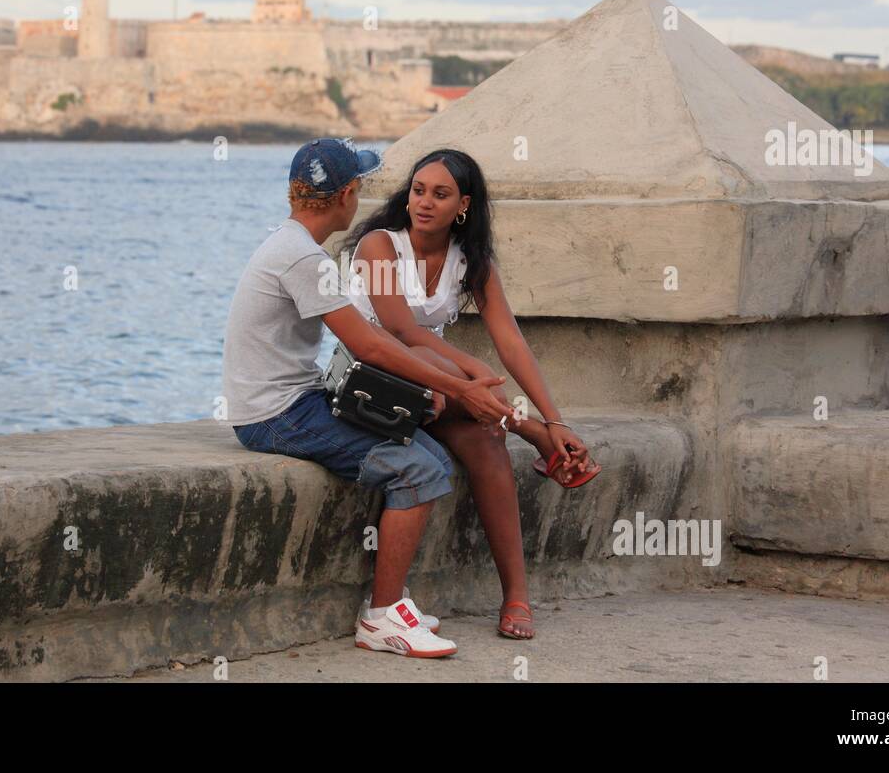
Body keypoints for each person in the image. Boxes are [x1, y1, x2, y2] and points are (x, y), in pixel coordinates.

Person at [221, 138, 514, 659]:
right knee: (416, 471)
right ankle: (380, 618)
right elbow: (371, 342)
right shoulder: (301, 259)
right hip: (274, 415)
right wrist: (461, 387)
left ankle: (394, 599)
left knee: (430, 457)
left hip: (291, 400)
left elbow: (375, 341)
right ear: (347, 194)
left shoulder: (292, 245)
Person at [344, 148, 603, 640]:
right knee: (440, 365)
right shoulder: (379, 246)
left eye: (440, 195)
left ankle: (517, 596)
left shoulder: (469, 260)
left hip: (437, 391)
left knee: (486, 439)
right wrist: (478, 381)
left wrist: (556, 415)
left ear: (463, 204)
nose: (424, 202)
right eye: (418, 190)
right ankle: (536, 437)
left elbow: (511, 340)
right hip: (372, 383)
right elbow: (401, 332)